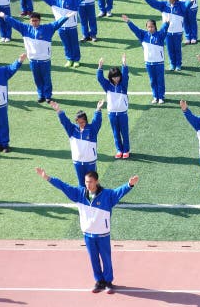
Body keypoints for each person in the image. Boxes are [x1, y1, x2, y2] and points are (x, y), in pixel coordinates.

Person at [35, 166, 138, 294]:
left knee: (106, 258)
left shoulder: (107, 195)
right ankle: (99, 281)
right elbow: (63, 186)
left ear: (96, 181)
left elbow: (119, 192)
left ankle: (108, 282)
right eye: (86, 182)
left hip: (103, 234)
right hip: (88, 235)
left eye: (90, 182)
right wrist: (48, 178)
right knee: (93, 259)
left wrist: (129, 184)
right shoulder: (79, 194)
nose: (87, 185)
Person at [0, 10, 73, 102]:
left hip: (45, 60)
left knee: (46, 79)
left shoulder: (47, 28)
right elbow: (14, 23)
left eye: (36, 20)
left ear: (40, 21)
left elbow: (57, 23)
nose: (34, 22)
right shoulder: (25, 28)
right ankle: (41, 95)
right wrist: (5, 16)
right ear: (30, 21)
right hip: (33, 60)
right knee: (37, 79)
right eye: (32, 20)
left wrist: (66, 17)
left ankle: (48, 96)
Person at [51, 100, 104, 186]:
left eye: (83, 122)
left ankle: (96, 197)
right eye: (79, 123)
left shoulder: (92, 129)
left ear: (86, 121)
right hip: (77, 162)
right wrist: (58, 110)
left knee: (93, 183)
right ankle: (83, 198)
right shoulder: (72, 130)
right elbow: (65, 122)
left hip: (90, 162)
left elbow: (97, 121)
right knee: (81, 183)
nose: (81, 124)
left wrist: (98, 109)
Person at [121, 14, 168, 104]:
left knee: (160, 80)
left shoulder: (160, 36)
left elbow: (164, 30)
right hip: (148, 63)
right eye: (148, 27)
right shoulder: (143, 35)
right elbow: (135, 30)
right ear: (146, 27)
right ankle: (155, 96)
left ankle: (161, 97)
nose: (150, 28)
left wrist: (166, 23)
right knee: (152, 80)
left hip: (159, 63)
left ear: (155, 27)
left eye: (152, 27)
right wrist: (128, 21)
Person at [97, 55, 131, 159]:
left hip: (122, 113)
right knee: (115, 132)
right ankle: (119, 150)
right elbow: (99, 78)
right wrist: (100, 67)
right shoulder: (107, 85)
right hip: (112, 113)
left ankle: (126, 150)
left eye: (117, 76)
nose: (116, 79)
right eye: (114, 77)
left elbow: (125, 75)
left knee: (124, 132)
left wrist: (124, 64)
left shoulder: (123, 84)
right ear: (110, 77)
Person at [0, 52, 26, 152]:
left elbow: (11, 68)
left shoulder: (1, 71)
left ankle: (4, 144)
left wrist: (20, 60)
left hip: (1, 105)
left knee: (3, 123)